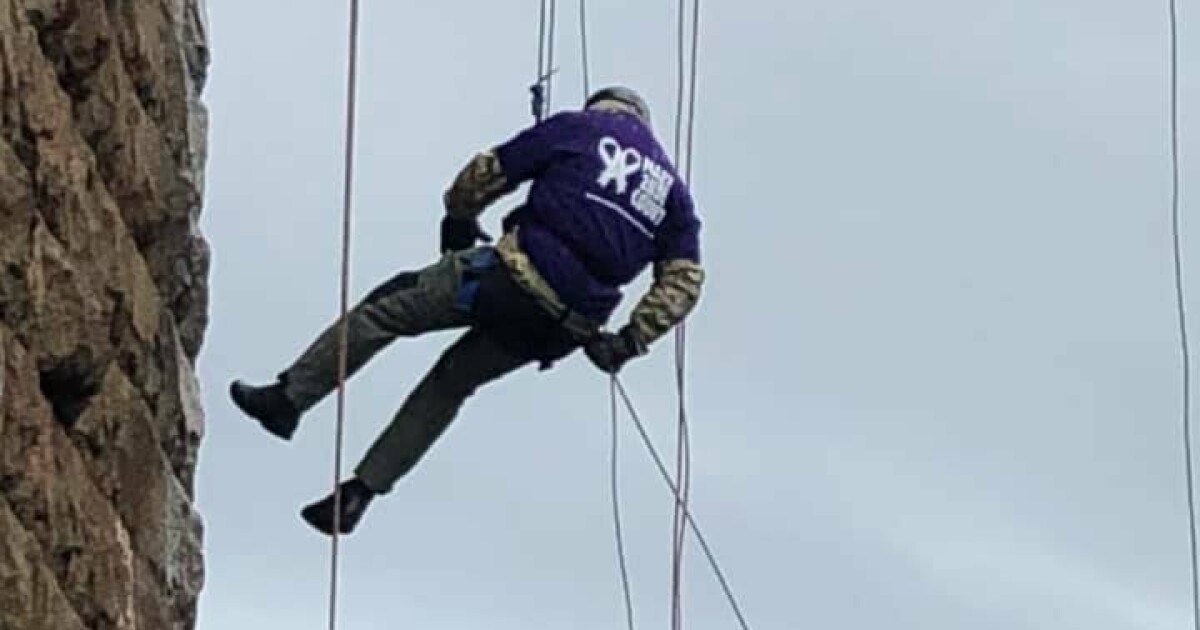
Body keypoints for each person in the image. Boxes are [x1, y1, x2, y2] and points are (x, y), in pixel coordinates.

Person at [229, 86, 706, 536]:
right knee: (451, 384)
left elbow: (492, 169)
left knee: (387, 309)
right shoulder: (675, 196)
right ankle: (358, 494)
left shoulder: (580, 128)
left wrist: (458, 216)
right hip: (562, 327)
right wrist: (629, 339)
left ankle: (288, 399)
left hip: (508, 277)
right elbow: (684, 280)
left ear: (602, 107)